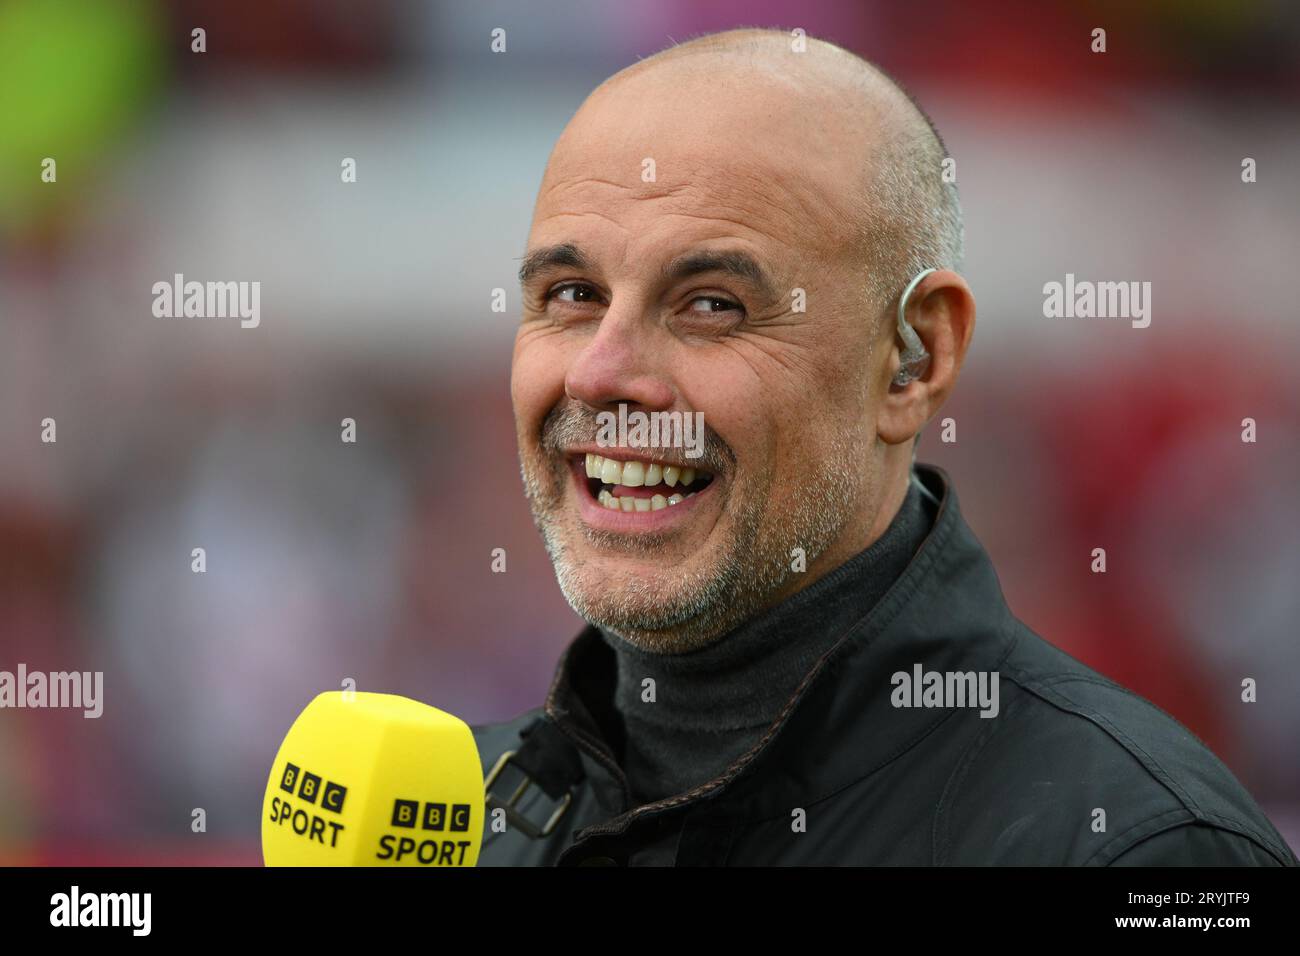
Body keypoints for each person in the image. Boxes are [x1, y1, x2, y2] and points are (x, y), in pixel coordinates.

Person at [472, 27, 1297, 866]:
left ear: (915, 360)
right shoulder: (446, 821)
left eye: (712, 304)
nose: (601, 374)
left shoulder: (1144, 850)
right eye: (572, 295)